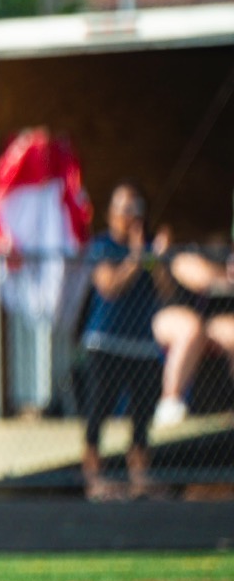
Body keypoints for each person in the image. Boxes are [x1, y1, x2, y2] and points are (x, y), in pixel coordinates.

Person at [79, 184, 171, 501]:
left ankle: (140, 476)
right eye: (124, 210)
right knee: (99, 411)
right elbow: (109, 286)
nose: (130, 218)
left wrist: (155, 259)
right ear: (111, 214)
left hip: (142, 345)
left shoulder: (148, 251)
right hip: (106, 343)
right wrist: (135, 256)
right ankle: (93, 479)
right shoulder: (102, 246)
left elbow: (166, 291)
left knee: (142, 416)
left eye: (136, 210)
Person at [153, 240, 234, 426]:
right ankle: (170, 403)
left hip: (211, 321)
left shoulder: (223, 251)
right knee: (191, 328)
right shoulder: (181, 251)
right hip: (169, 317)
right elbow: (202, 280)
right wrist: (225, 278)